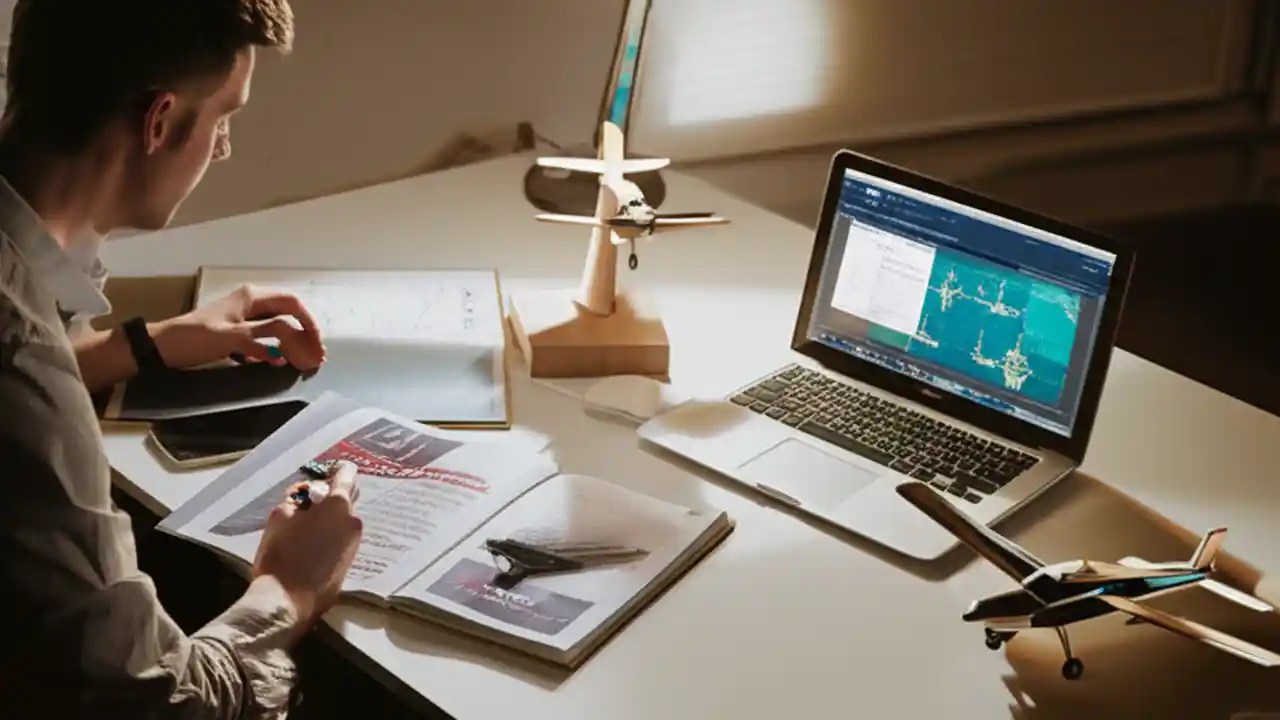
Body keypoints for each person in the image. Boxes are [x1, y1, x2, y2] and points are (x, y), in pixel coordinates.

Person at [0, 1, 366, 717]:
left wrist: (143, 345)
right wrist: (288, 587)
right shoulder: (20, 358)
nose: (222, 149)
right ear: (159, 122)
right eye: (223, 118)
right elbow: (151, 700)